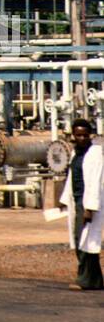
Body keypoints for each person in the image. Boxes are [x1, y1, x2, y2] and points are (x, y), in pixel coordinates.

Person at [59, 119, 104, 291]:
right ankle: (95, 280)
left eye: (85, 135)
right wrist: (64, 199)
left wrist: (90, 208)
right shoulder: (75, 154)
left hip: (88, 203)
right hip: (77, 200)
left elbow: (96, 181)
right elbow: (72, 177)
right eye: (79, 135)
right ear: (73, 135)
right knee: (82, 240)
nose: (82, 138)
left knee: (84, 240)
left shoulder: (95, 154)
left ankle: (85, 279)